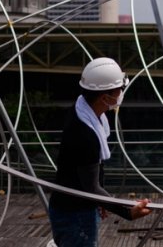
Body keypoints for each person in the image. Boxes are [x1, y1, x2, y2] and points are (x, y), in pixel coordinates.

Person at [48, 57, 151, 246]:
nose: (121, 93)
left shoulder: (82, 109)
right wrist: (127, 212)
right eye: (120, 89)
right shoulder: (85, 134)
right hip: (75, 215)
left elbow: (90, 180)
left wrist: (100, 201)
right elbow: (91, 188)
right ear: (105, 97)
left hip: (71, 207)